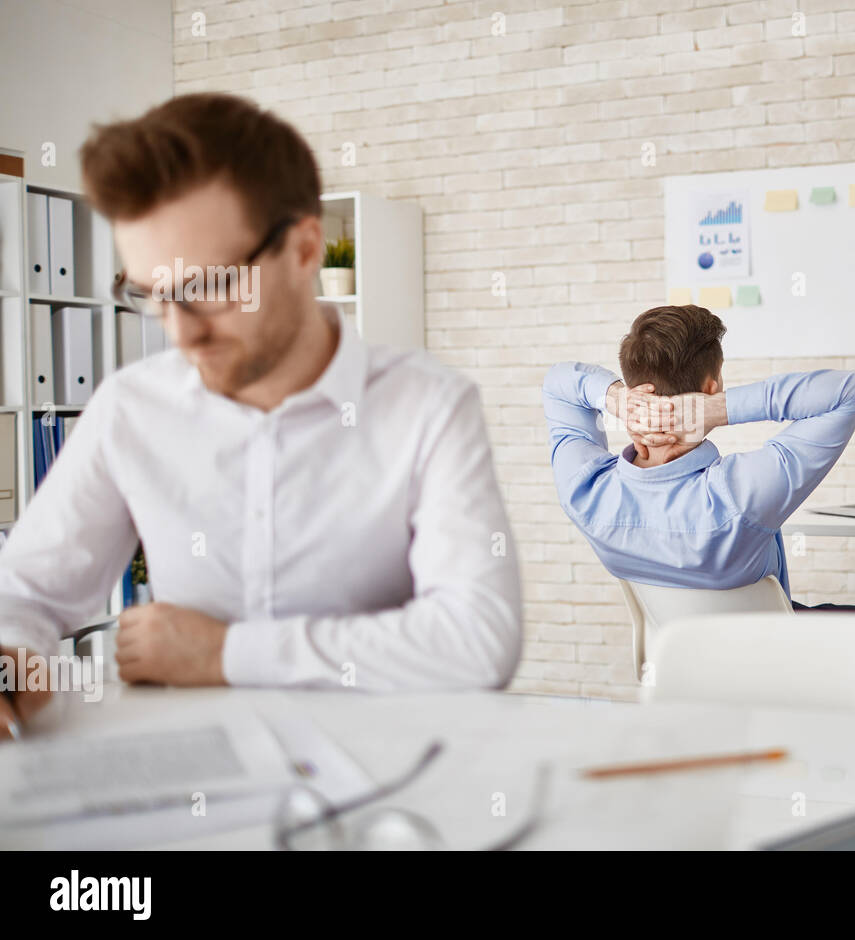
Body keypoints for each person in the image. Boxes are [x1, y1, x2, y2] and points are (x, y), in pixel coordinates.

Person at [0, 93, 521, 740]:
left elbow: (478, 638)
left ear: (305, 250)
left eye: (210, 286)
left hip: (387, 782)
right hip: (194, 796)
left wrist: (224, 653)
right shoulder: (131, 408)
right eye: (154, 295)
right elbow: (23, 593)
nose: (181, 333)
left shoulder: (429, 406)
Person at [543, 303, 855, 609]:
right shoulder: (738, 495)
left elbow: (559, 383)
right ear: (710, 387)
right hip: (773, 654)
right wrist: (720, 410)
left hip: (678, 657)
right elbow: (850, 390)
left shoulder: (585, 492)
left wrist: (615, 398)